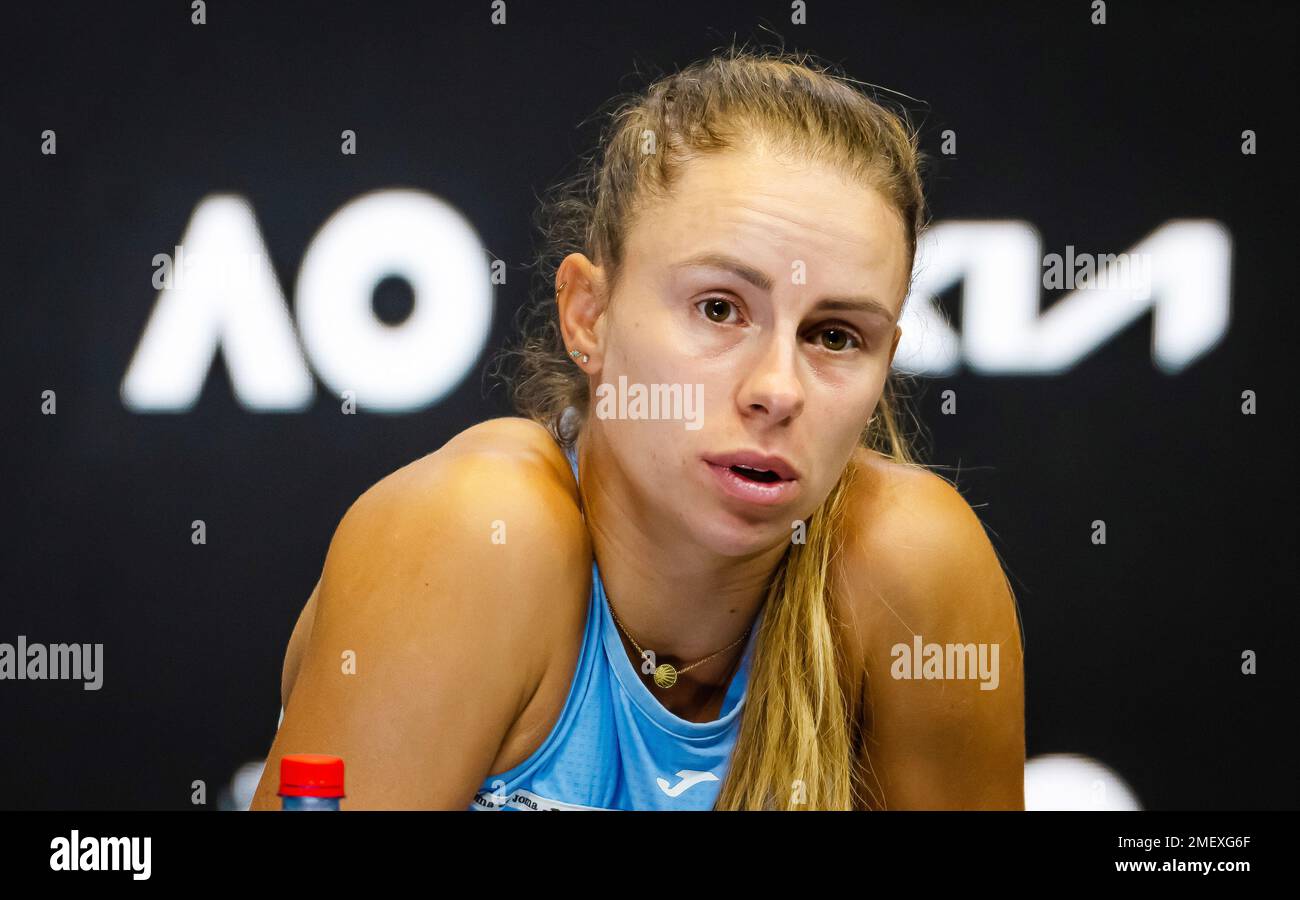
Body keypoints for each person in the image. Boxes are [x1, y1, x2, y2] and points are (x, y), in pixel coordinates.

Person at [250, 47, 1024, 811]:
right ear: (588, 315)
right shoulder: (472, 535)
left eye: (834, 336)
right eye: (719, 308)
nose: (777, 390)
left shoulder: (913, 570)